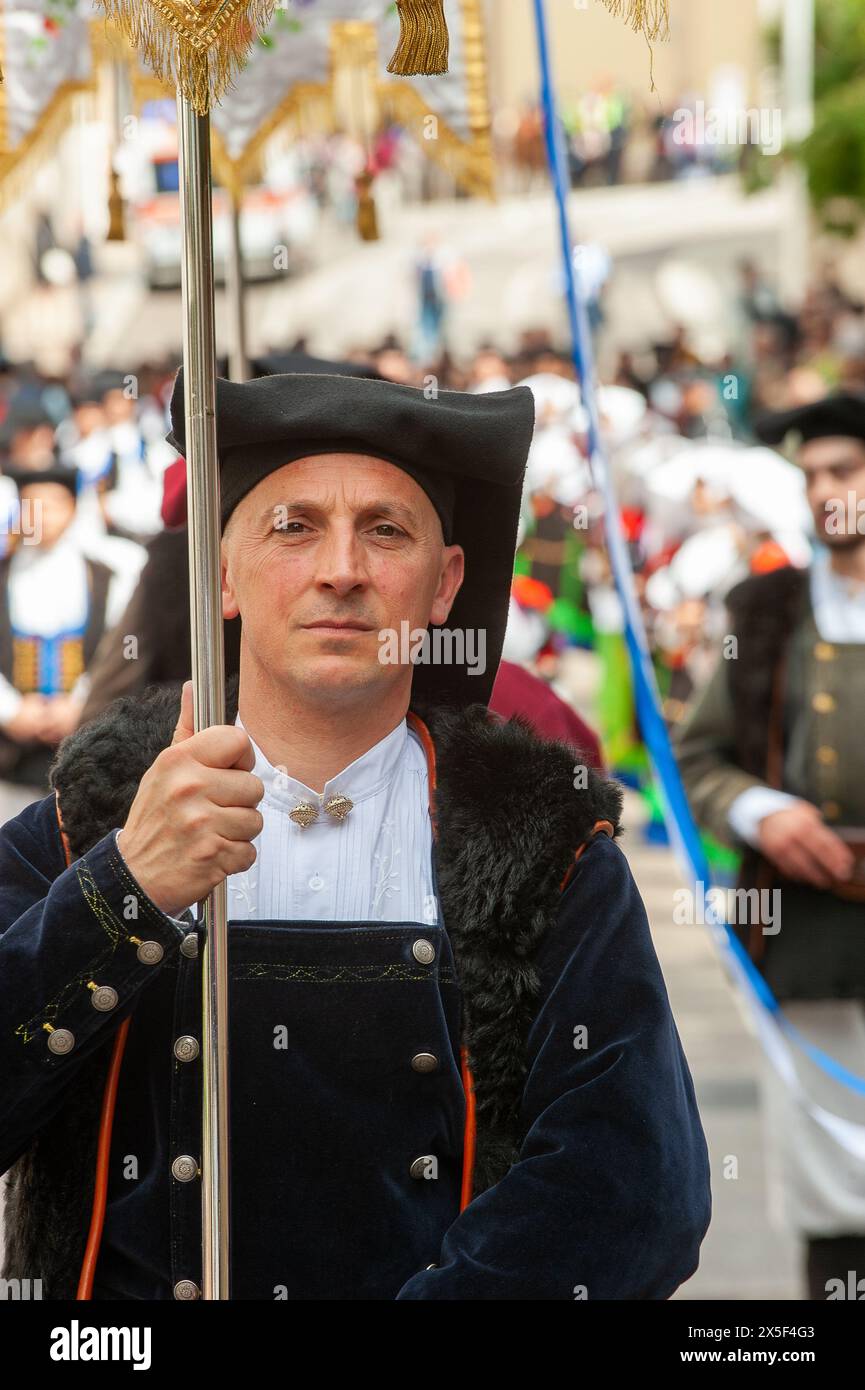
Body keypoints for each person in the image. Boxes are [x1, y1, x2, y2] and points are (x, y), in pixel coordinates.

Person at [0, 369, 710, 1300]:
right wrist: (124, 889)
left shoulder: (548, 851)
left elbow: (634, 1187)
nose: (342, 568)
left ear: (445, 582)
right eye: (293, 527)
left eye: (386, 529)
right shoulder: (77, 823)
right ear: (222, 573)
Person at [676, 391, 865, 1299]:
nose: (827, 489)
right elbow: (700, 756)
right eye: (814, 473)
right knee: (832, 1178)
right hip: (809, 939)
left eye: (847, 471)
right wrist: (763, 814)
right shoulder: (768, 611)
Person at [0, 464, 138, 821]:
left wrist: (80, 703)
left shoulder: (105, 575)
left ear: (74, 508)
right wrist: (12, 711)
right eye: (33, 505)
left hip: (85, 745)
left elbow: (118, 651)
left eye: (53, 504)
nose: (42, 516)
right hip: (9, 756)